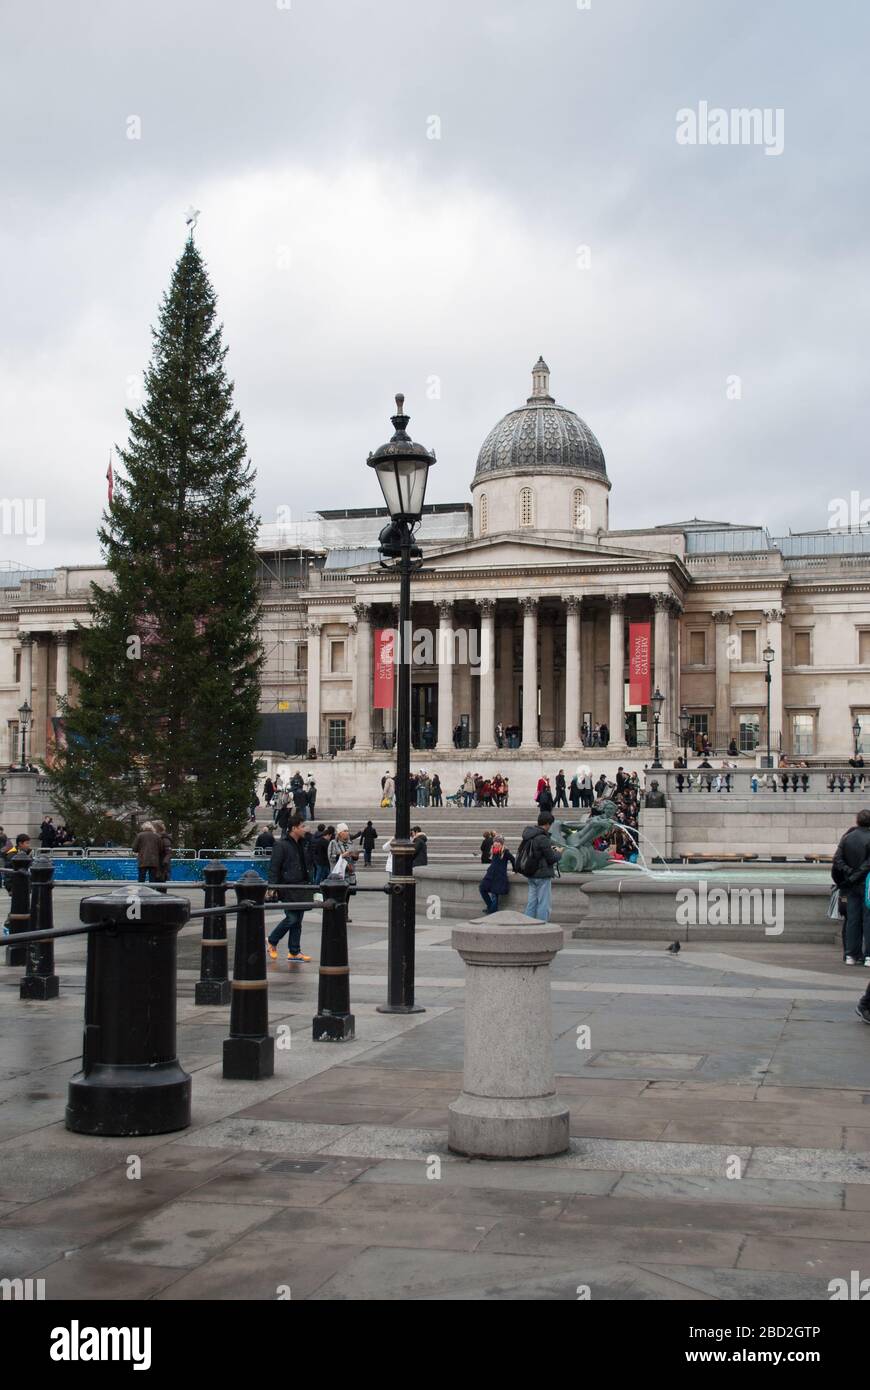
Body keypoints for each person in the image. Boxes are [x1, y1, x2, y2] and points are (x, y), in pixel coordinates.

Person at [267, 814, 311, 962]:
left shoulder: (303, 843)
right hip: (288, 886)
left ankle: (294, 951)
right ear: (294, 828)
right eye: (302, 826)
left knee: (298, 920)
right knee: (292, 918)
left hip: (302, 885)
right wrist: (272, 886)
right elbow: (274, 867)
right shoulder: (281, 844)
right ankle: (272, 940)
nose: (305, 829)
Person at [832, 809, 870, 966]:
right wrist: (856, 875)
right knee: (868, 919)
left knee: (852, 919)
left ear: (857, 821)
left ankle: (851, 955)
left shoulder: (847, 838)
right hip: (867, 883)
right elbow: (868, 864)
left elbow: (837, 860)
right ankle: (868, 955)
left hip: (850, 885)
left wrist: (849, 875)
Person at [520, 812, 561, 922]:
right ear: (547, 824)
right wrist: (559, 853)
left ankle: (527, 923)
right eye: (550, 825)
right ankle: (543, 925)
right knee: (544, 903)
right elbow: (551, 858)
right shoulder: (542, 838)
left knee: (532, 901)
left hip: (530, 872)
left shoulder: (529, 835)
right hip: (542, 874)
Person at [479, 835, 515, 914]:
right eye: (495, 841)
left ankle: (492, 911)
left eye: (498, 842)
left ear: (501, 843)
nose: (496, 843)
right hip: (490, 874)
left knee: (494, 894)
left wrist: (515, 870)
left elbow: (513, 859)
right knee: (482, 888)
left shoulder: (505, 852)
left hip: (499, 875)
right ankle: (490, 906)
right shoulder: (493, 850)